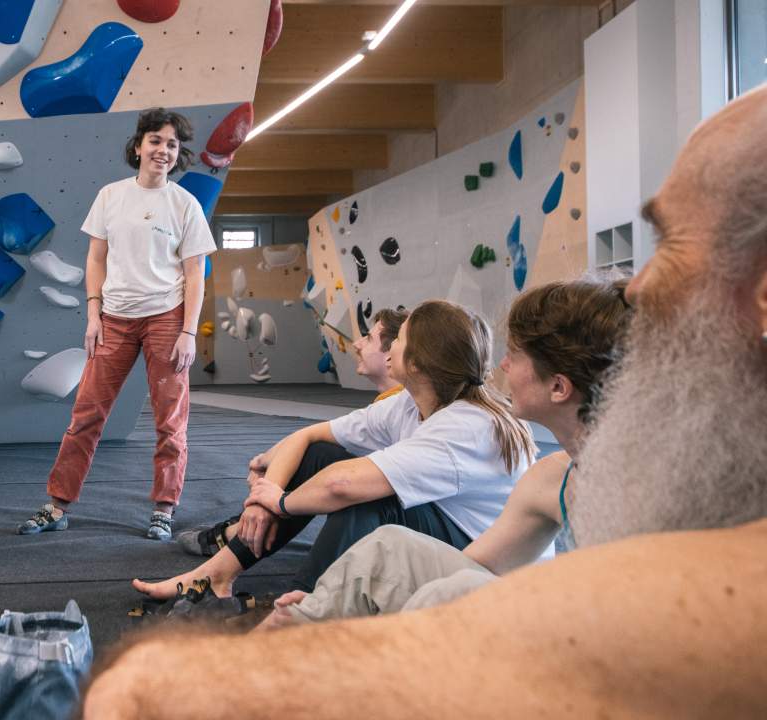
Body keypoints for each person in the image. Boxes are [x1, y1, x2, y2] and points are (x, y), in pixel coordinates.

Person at [79, 85, 767, 719]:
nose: (638, 288)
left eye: (671, 245)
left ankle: (284, 616)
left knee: (362, 504)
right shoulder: (563, 474)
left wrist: (274, 534)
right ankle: (269, 599)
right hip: (479, 569)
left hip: (502, 595)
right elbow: (473, 574)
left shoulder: (481, 430)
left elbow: (587, 624)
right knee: (383, 541)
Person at [262, 278, 630, 628]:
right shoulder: (550, 476)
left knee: (432, 573)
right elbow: (470, 565)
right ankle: (294, 626)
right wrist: (336, 595)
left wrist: (280, 503)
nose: (502, 365)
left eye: (515, 356)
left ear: (558, 387)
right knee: (390, 550)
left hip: (579, 642)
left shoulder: (628, 488)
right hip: (518, 593)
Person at [133, 300, 536, 599]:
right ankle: (220, 572)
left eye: (401, 338)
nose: (390, 345)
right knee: (325, 460)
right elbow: (311, 439)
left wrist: (282, 501)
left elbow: (343, 485)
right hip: (445, 535)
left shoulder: (467, 425)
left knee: (368, 498)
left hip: (483, 568)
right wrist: (262, 500)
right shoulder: (407, 403)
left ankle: (304, 603)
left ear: (418, 362)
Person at [18, 107, 216, 541]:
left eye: (172, 145)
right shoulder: (111, 196)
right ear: (139, 145)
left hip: (166, 318)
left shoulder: (185, 205)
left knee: (170, 419)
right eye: (156, 141)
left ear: (177, 154)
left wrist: (188, 332)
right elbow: (96, 259)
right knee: (86, 414)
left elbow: (195, 273)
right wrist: (93, 315)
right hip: (115, 318)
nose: (163, 150)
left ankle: (164, 507)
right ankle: (57, 505)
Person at [173, 307, 406, 557]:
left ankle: (242, 536)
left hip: (402, 527)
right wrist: (267, 464)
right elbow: (311, 434)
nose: (357, 344)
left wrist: (273, 500)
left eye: (368, 338)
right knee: (318, 453)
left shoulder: (403, 409)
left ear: (391, 354)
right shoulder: (387, 407)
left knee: (319, 458)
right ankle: (243, 533)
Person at [354, 308, 408, 402]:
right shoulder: (394, 405)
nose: (356, 344)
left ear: (391, 356)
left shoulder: (398, 409)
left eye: (369, 339)